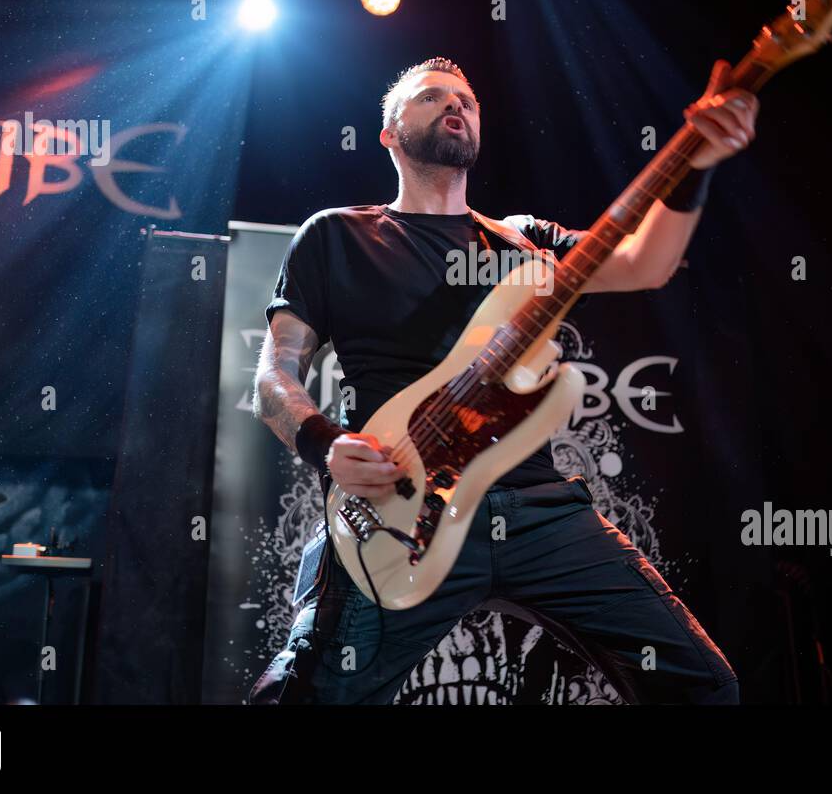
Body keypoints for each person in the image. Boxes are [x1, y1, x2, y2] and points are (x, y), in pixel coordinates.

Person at [249, 56, 758, 704]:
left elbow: (644, 263)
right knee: (307, 696)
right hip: (399, 503)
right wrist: (323, 443)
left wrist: (699, 162)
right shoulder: (337, 235)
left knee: (704, 687)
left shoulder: (524, 244)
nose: (455, 105)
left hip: (537, 510)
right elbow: (274, 375)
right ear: (388, 133)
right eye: (432, 96)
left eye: (467, 99)